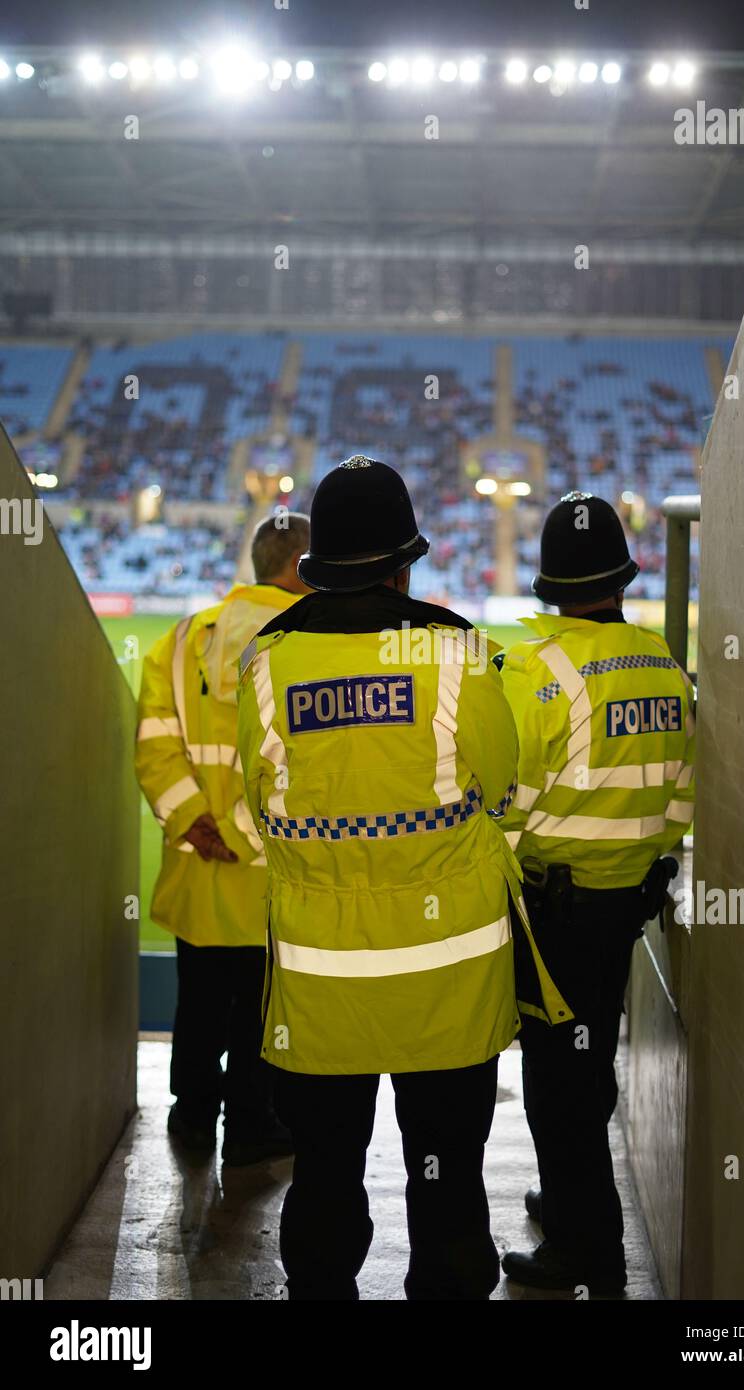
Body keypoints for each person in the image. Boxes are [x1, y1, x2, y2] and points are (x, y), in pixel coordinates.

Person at [236, 457, 569, 1301]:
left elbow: (259, 802)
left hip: (322, 983)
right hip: (449, 983)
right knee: (448, 1176)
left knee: (325, 1171)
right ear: (402, 563)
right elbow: (498, 788)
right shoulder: (458, 650)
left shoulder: (265, 663)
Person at [497, 492, 695, 1295]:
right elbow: (680, 789)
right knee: (590, 1068)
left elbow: (502, 803)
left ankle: (589, 1254)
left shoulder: (531, 671)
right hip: (628, 905)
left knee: (559, 1084)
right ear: (620, 577)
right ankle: (570, 1201)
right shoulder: (662, 660)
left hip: (557, 910)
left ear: (550, 585)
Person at [135, 512, 310, 1167]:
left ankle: (192, 1113)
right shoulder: (307, 641)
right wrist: (248, 830)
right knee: (261, 1006)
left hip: (200, 865)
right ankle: (252, 1123)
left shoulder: (181, 639)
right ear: (298, 568)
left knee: (200, 997)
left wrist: (193, 820)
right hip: (276, 872)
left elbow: (154, 741)